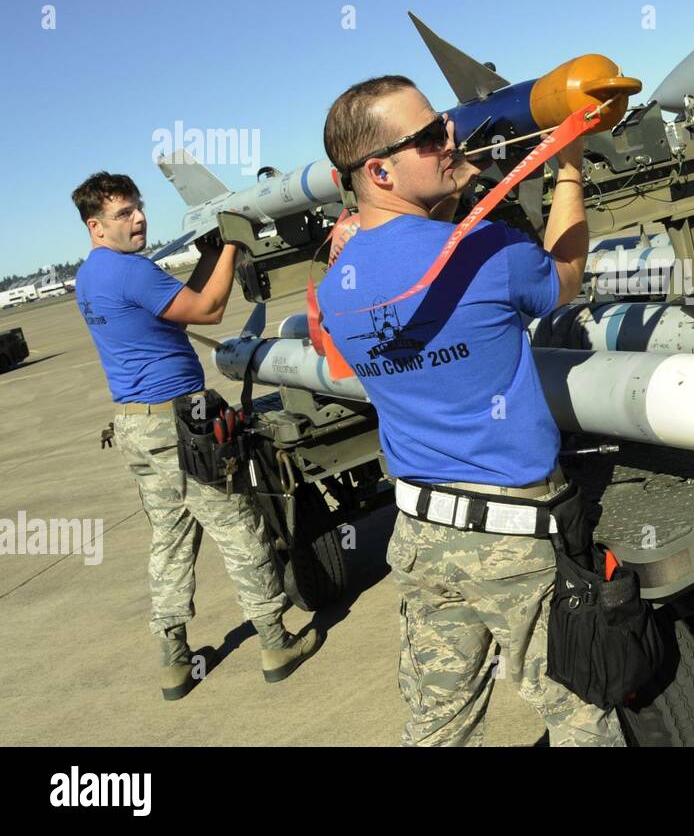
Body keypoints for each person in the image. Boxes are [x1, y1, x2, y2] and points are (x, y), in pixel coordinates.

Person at [316, 76, 624, 747]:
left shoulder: (334, 288)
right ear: (378, 169)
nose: (450, 137)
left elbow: (394, 278)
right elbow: (563, 277)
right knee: (582, 715)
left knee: (439, 726)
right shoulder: (485, 251)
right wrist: (568, 170)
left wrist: (443, 189)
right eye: (430, 137)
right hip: (513, 538)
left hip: (422, 534)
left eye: (445, 124)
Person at [71, 172, 319, 700]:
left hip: (137, 426)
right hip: (179, 423)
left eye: (137, 207)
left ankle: (174, 660)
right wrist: (230, 243)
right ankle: (275, 642)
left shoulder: (91, 275)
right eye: (122, 214)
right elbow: (206, 310)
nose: (138, 218)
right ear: (96, 225)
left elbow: (178, 306)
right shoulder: (130, 273)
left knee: (171, 539)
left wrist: (211, 255)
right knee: (238, 525)